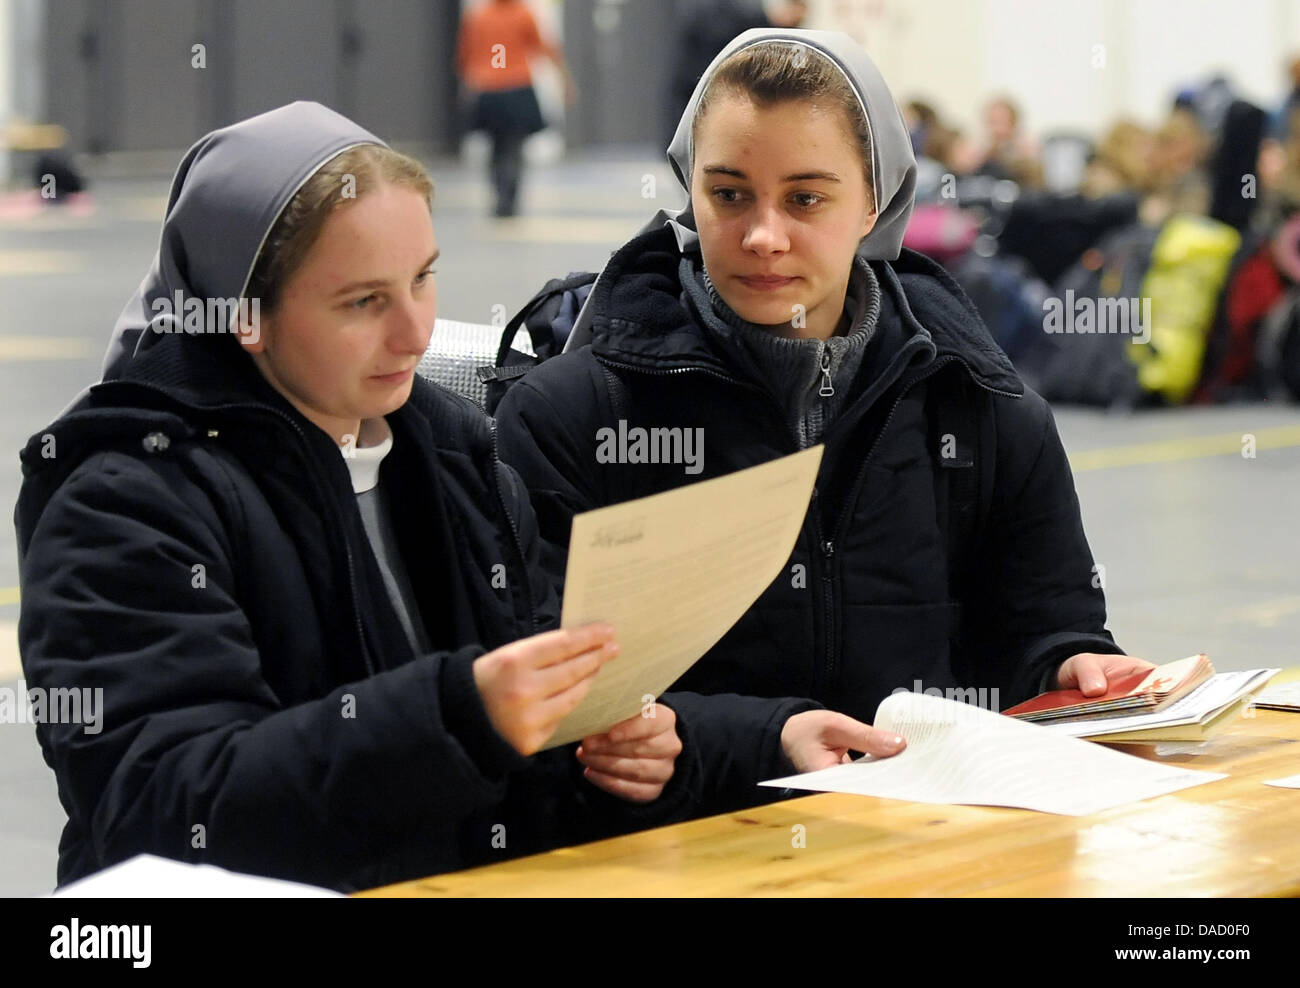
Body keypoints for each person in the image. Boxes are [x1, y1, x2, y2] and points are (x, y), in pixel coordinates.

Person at [15, 101, 873, 892]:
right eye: (364, 302)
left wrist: (735, 742)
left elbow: (532, 691)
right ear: (245, 315)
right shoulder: (123, 501)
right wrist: (459, 716)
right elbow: (167, 810)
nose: (416, 331)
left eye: (423, 280)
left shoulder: (448, 448)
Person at [495, 29, 1157, 798]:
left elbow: (1044, 623)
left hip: (921, 852)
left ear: (874, 200)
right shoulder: (572, 415)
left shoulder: (985, 410)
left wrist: (1074, 665)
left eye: (805, 198)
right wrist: (751, 741)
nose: (763, 236)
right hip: (681, 853)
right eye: (729, 194)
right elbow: (530, 689)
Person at [457, 0, 574, 217]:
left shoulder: (479, 16)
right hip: (517, 86)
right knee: (514, 146)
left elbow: (465, 54)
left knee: (496, 145)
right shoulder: (523, 13)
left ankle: (500, 195)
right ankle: (510, 198)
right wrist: (565, 80)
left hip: (488, 87)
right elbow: (545, 48)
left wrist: (468, 85)